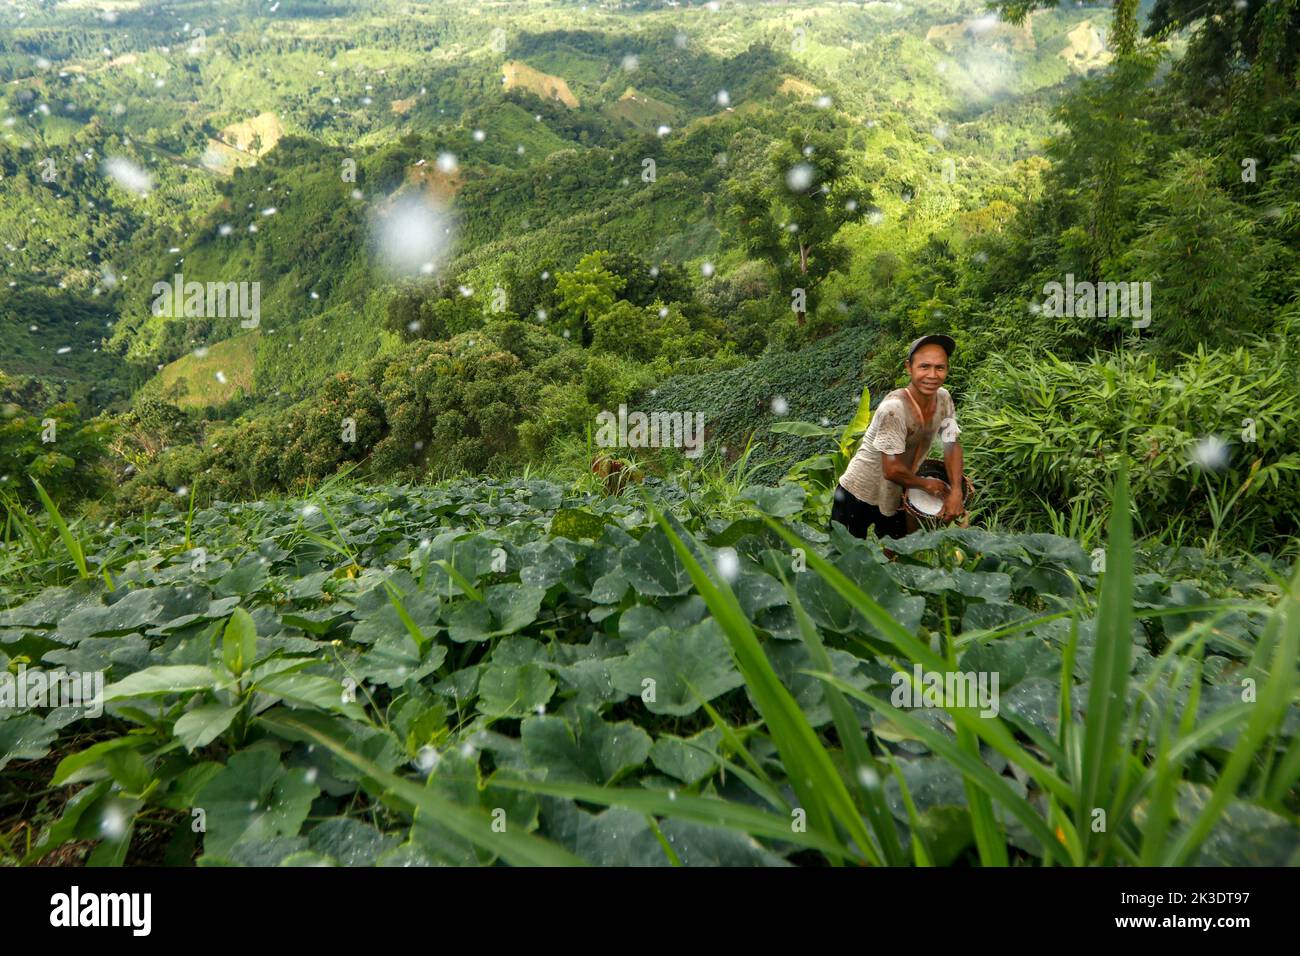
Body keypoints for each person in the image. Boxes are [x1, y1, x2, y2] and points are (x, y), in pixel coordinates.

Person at [831, 334, 965, 545]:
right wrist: (926, 485)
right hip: (859, 490)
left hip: (900, 487)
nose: (932, 375)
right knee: (845, 555)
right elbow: (891, 469)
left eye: (940, 367)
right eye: (924, 367)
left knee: (899, 551)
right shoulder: (894, 409)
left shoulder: (943, 399)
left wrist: (956, 490)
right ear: (909, 367)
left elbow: (951, 444)